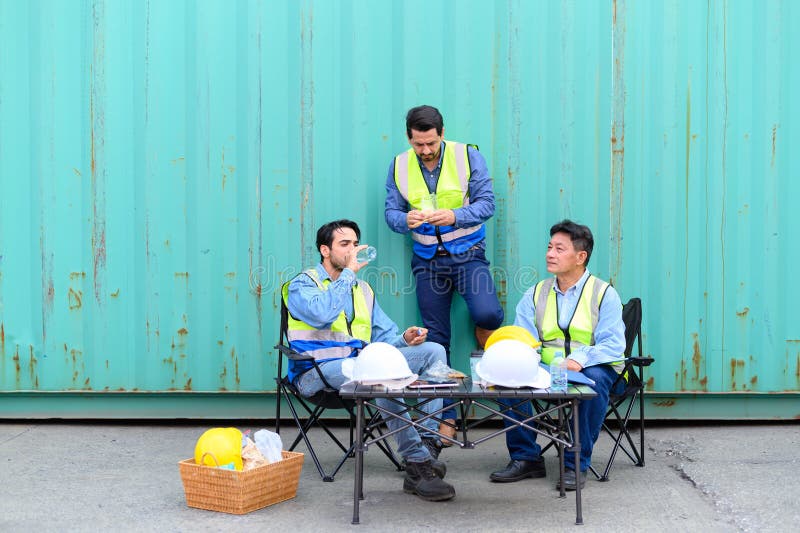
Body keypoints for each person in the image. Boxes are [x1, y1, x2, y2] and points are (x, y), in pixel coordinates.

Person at [284, 219, 455, 502]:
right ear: (325, 251)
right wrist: (348, 275)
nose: (352, 250)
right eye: (344, 245)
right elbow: (322, 314)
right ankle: (417, 464)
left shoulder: (362, 289)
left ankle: (427, 444)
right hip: (315, 373)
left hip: (361, 367)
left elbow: (384, 338)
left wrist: (404, 338)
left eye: (354, 244)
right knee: (380, 374)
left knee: (434, 351)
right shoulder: (303, 284)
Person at [384, 105, 504, 441]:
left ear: (441, 134)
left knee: (488, 313)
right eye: (418, 144)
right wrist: (402, 221)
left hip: (468, 254)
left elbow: (487, 204)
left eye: (431, 144)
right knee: (437, 340)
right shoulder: (398, 165)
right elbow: (391, 212)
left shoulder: (468, 156)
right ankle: (446, 417)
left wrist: (454, 215)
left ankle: (489, 367)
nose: (424, 151)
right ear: (409, 137)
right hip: (426, 260)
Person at [489, 220, 626, 490]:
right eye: (549, 247)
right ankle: (526, 457)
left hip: (595, 369)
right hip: (547, 370)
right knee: (508, 376)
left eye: (559, 249)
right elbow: (523, 340)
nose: (550, 254)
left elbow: (613, 345)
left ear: (580, 257)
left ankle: (575, 463)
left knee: (594, 378)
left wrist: (579, 359)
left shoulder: (603, 294)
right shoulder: (536, 293)